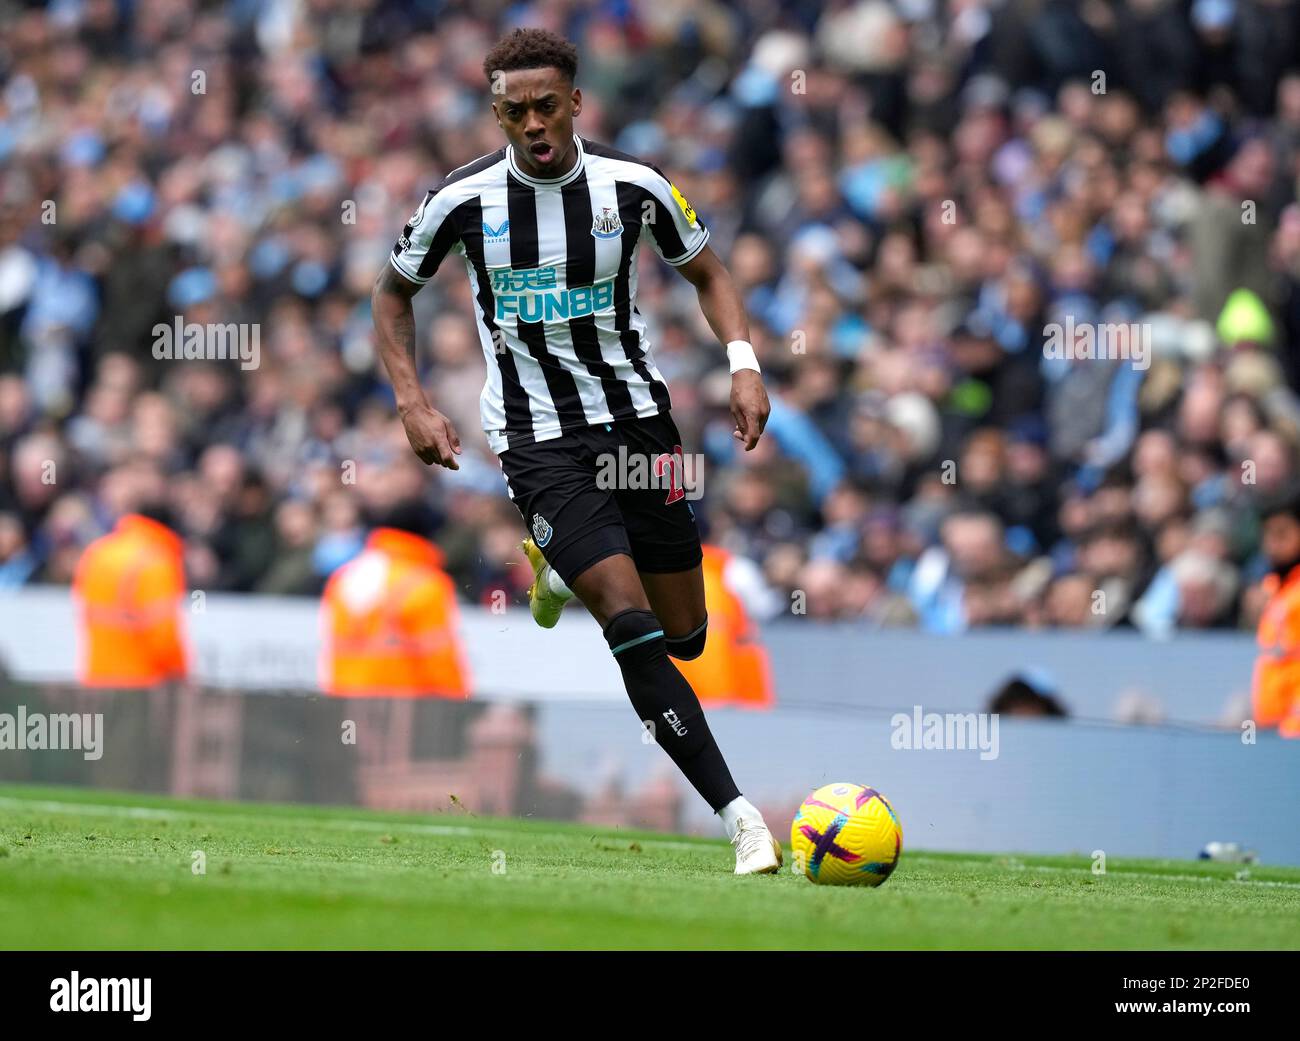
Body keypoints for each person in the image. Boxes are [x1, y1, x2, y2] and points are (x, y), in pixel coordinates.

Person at [371, 28, 781, 873]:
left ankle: (557, 570)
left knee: (687, 634)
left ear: (575, 104)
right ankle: (739, 816)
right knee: (627, 622)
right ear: (496, 113)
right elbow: (390, 296)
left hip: (638, 424)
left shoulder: (636, 187)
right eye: (514, 110)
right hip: (535, 438)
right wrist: (412, 401)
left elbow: (709, 273)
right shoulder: (460, 201)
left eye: (546, 105)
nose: (532, 123)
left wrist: (743, 366)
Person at [319, 500, 471, 699]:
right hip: (407, 710)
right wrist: (456, 705)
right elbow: (440, 660)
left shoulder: (344, 577)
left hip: (344, 703)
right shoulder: (428, 585)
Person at [71, 503, 188, 688]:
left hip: (96, 678)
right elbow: (164, 637)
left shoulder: (98, 552)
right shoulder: (156, 561)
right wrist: (181, 673)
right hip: (142, 682)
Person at [1251, 489, 1300, 737]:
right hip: (1273, 723)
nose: (1273, 543)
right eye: (1268, 534)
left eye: (1282, 533)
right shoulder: (1272, 586)